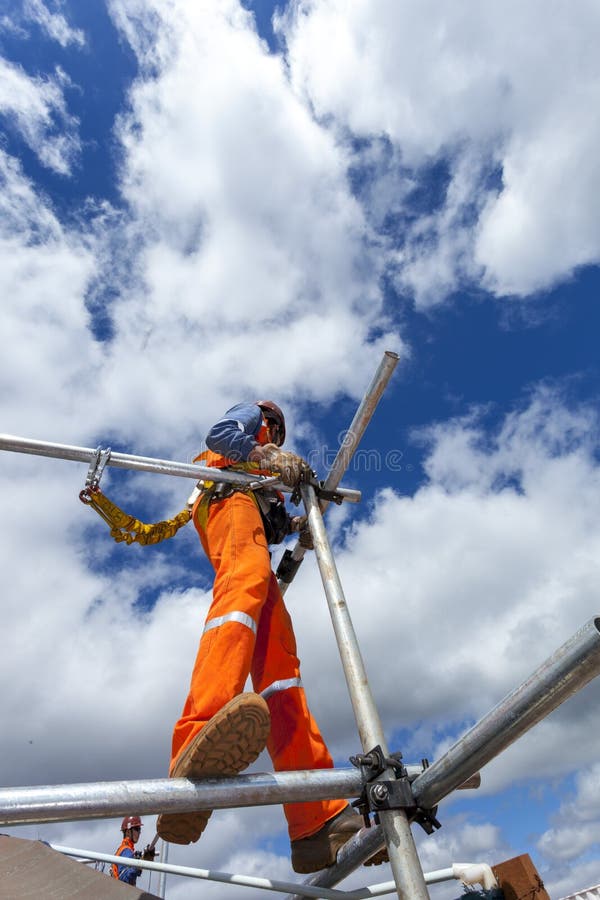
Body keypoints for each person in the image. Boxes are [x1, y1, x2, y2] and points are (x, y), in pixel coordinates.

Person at [156, 401, 386, 873]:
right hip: (227, 501)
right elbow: (219, 434)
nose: (276, 441)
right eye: (275, 434)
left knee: (280, 663)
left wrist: (298, 522)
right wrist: (263, 454)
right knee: (243, 586)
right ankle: (195, 737)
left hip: (250, 514)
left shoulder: (266, 483)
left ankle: (315, 820)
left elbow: (275, 523)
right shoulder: (250, 419)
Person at [110, 816, 144, 884]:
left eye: (139, 829)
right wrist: (136, 867)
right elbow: (124, 878)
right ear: (128, 832)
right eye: (137, 829)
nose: (139, 833)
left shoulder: (122, 850)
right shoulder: (126, 850)